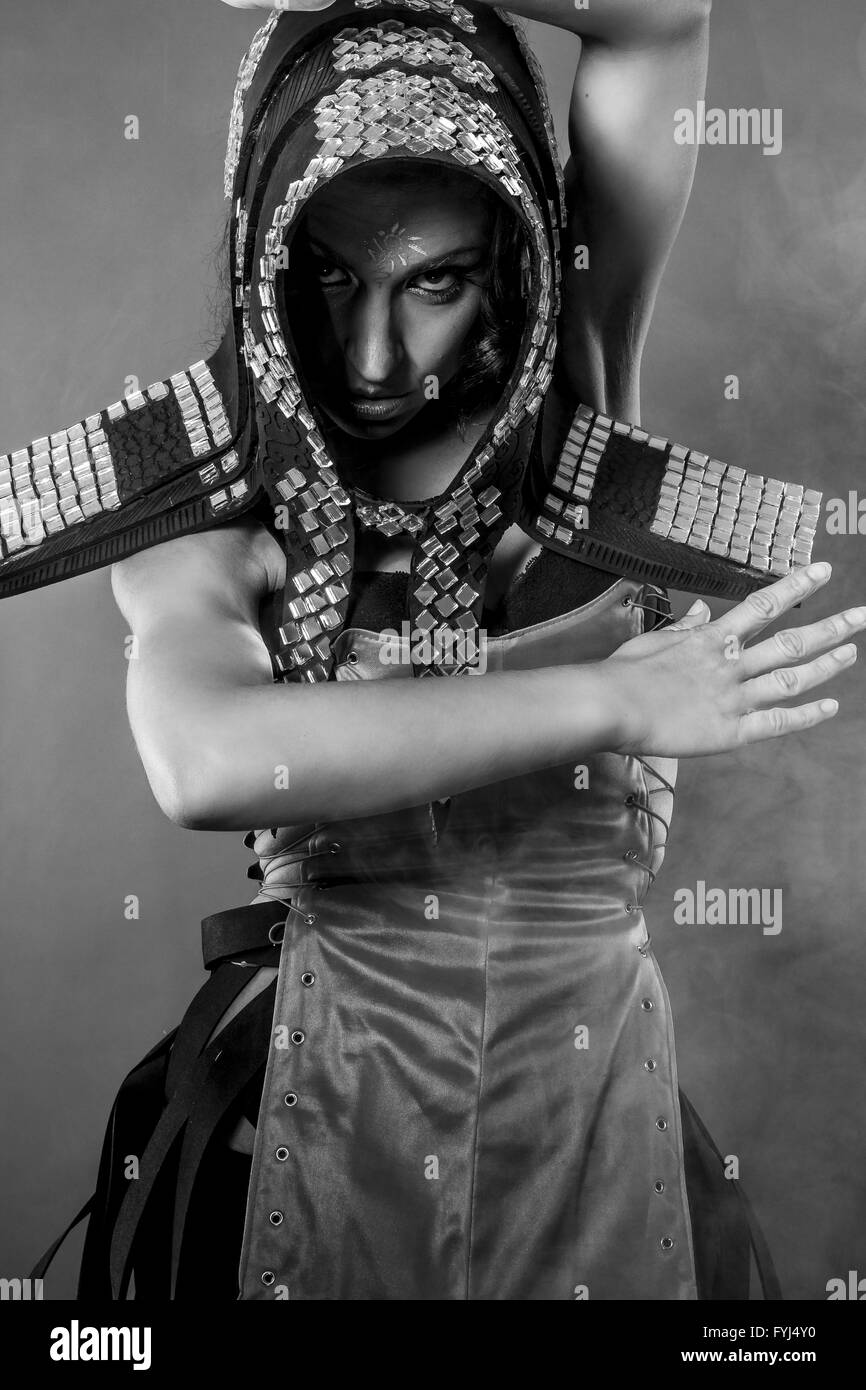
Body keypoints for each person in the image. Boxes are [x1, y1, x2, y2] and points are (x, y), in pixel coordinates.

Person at [7, 0, 862, 1301]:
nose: (366, 351)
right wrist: (611, 702)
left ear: (516, 266)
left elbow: (660, 20)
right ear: (264, 253)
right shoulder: (213, 516)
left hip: (591, 1127)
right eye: (330, 277)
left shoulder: (583, 407)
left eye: (434, 284)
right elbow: (206, 761)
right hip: (309, 1125)